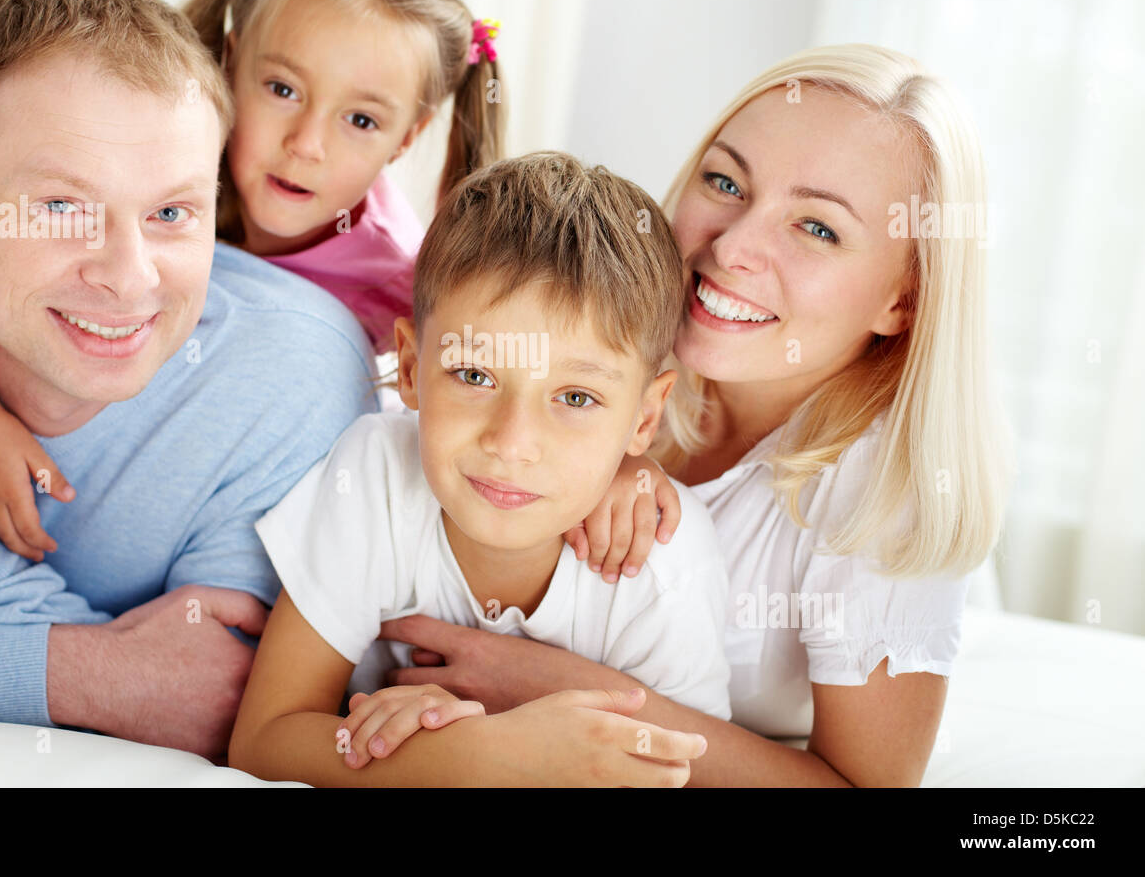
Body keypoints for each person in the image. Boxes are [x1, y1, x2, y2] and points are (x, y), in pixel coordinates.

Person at [372, 44, 1012, 786]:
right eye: (725, 181)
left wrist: (562, 689)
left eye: (818, 229)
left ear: (902, 299)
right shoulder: (609, 351)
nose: (733, 246)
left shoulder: (880, 495)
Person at [0, 0, 376, 760]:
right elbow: (148, 688)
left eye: (171, 213)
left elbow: (209, 695)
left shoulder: (296, 375)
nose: (130, 278)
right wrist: (90, 675)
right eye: (63, 207)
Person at [0, 0, 503, 562]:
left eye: (361, 119)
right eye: (282, 89)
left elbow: (508, 393)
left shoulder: (398, 280)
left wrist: (620, 478)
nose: (307, 144)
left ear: (408, 136)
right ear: (231, 61)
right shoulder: (150, 146)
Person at [229, 152, 724, 786]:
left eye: (576, 398)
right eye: (474, 375)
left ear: (644, 418)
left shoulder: (663, 560)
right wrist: (466, 754)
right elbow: (263, 740)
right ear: (410, 370)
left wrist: (468, 754)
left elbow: (680, 772)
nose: (512, 443)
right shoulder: (375, 474)